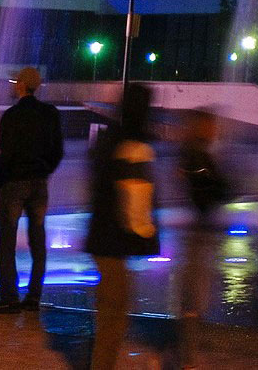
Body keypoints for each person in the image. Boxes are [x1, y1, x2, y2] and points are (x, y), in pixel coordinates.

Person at [87, 82, 159, 370]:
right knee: (114, 315)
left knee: (111, 313)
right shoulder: (133, 145)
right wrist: (148, 235)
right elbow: (137, 198)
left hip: (103, 238)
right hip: (112, 241)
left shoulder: (111, 138)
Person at [0, 66, 64, 314]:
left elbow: (6, 153)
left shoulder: (12, 115)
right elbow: (58, 149)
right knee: (38, 240)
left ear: (21, 85)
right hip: (39, 182)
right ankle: (33, 296)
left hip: (15, 182)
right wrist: (45, 170)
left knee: (7, 240)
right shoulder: (50, 114)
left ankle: (9, 297)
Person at [175, 111, 232, 369]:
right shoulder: (196, 154)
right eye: (211, 126)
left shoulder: (195, 152)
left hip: (200, 228)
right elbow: (212, 187)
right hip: (199, 230)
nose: (215, 131)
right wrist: (223, 187)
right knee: (194, 295)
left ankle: (189, 352)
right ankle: (188, 355)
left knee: (196, 294)